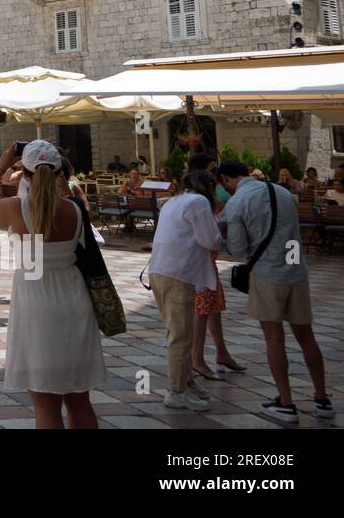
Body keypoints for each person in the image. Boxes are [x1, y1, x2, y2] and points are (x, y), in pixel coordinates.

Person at [0, 140, 105, 428]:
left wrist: (1, 165)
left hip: (36, 300)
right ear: (59, 172)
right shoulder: (75, 209)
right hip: (74, 296)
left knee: (45, 403)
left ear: (25, 173)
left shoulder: (16, 208)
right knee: (79, 399)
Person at [219, 160, 333, 421]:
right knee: (307, 337)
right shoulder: (282, 192)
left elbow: (236, 250)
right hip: (296, 269)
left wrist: (223, 234)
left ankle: (286, 401)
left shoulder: (237, 203)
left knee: (274, 338)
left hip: (267, 273)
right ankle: (322, 398)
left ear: (225, 179)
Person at [143, 170, 225, 410]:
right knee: (180, 335)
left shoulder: (174, 201)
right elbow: (211, 240)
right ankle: (176, 391)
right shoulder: (198, 202)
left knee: (180, 332)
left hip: (161, 271)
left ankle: (186, 381)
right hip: (178, 273)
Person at [184, 168, 246, 381]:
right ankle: (197, 359)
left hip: (209, 268)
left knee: (213, 309)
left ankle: (222, 353)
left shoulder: (197, 204)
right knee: (201, 312)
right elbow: (208, 239)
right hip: (200, 269)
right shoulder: (198, 205)